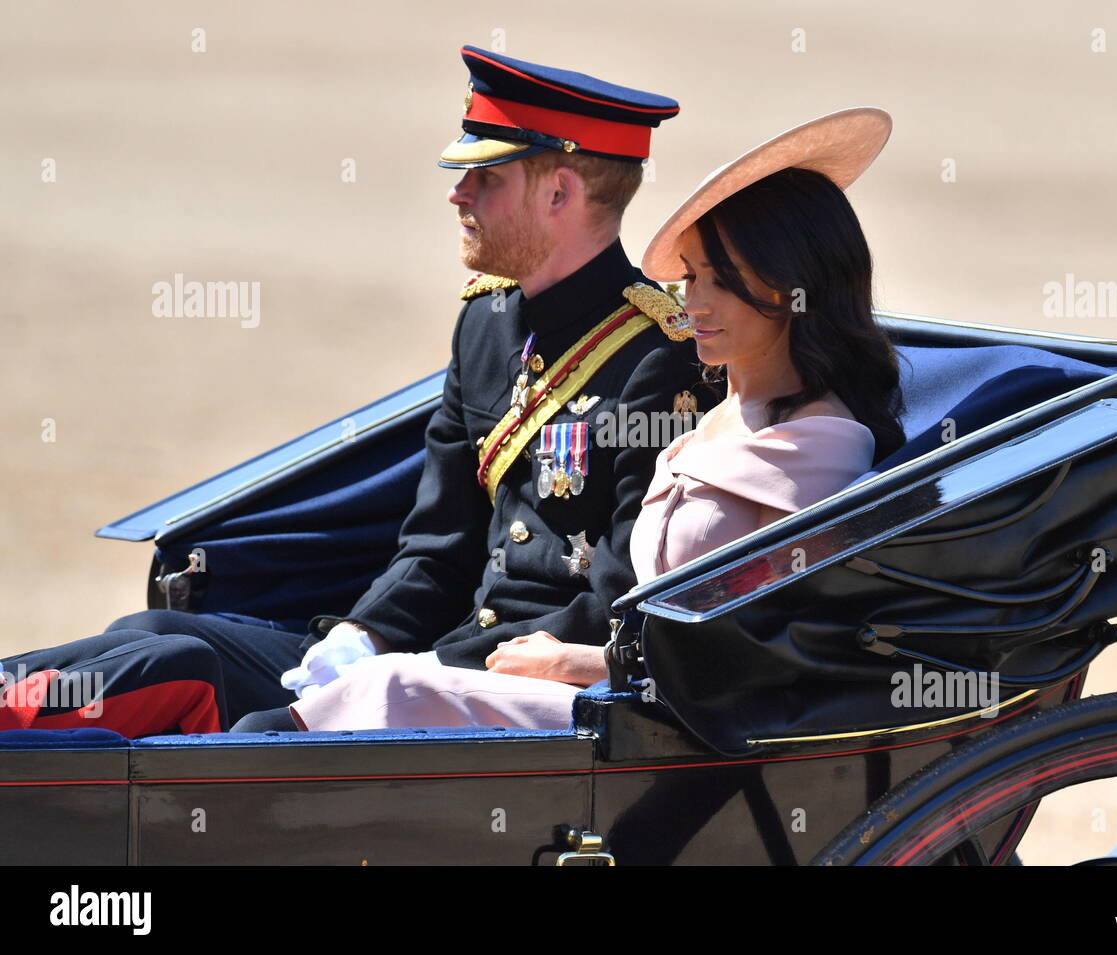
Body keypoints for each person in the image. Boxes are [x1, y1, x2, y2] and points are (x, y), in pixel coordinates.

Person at [0, 45, 711, 737]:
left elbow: (620, 599)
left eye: (487, 178)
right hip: (434, 656)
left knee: (189, 678)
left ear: (559, 192)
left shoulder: (659, 361)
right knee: (156, 632)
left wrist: (408, 666)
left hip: (505, 690)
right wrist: (360, 636)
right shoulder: (487, 322)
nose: (456, 191)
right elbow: (438, 547)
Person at [276, 107, 908, 733]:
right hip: (606, 691)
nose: (694, 303)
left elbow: (778, 647)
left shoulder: (816, 444)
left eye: (724, 279)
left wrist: (590, 659)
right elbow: (443, 542)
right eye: (692, 276)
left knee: (380, 694)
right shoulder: (726, 415)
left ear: (791, 290)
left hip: (661, 727)